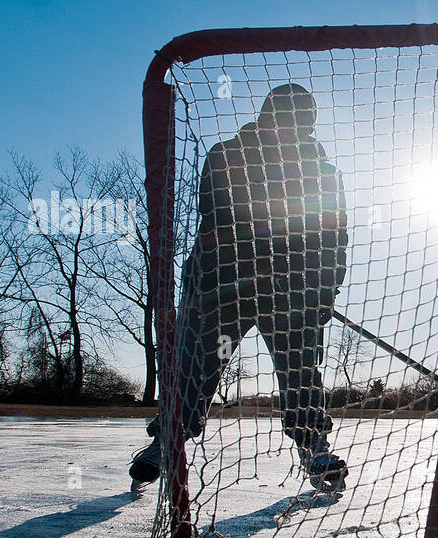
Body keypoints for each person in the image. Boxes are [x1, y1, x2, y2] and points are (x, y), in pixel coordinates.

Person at [130, 84, 349, 493]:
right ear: (268, 116)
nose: (292, 129)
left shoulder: (324, 172)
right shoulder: (227, 155)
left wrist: (325, 289)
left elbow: (334, 234)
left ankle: (313, 445)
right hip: (225, 290)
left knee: (299, 369)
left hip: (290, 297)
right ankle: (167, 441)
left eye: (302, 122)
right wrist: (266, 258)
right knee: (200, 364)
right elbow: (222, 216)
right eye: (285, 119)